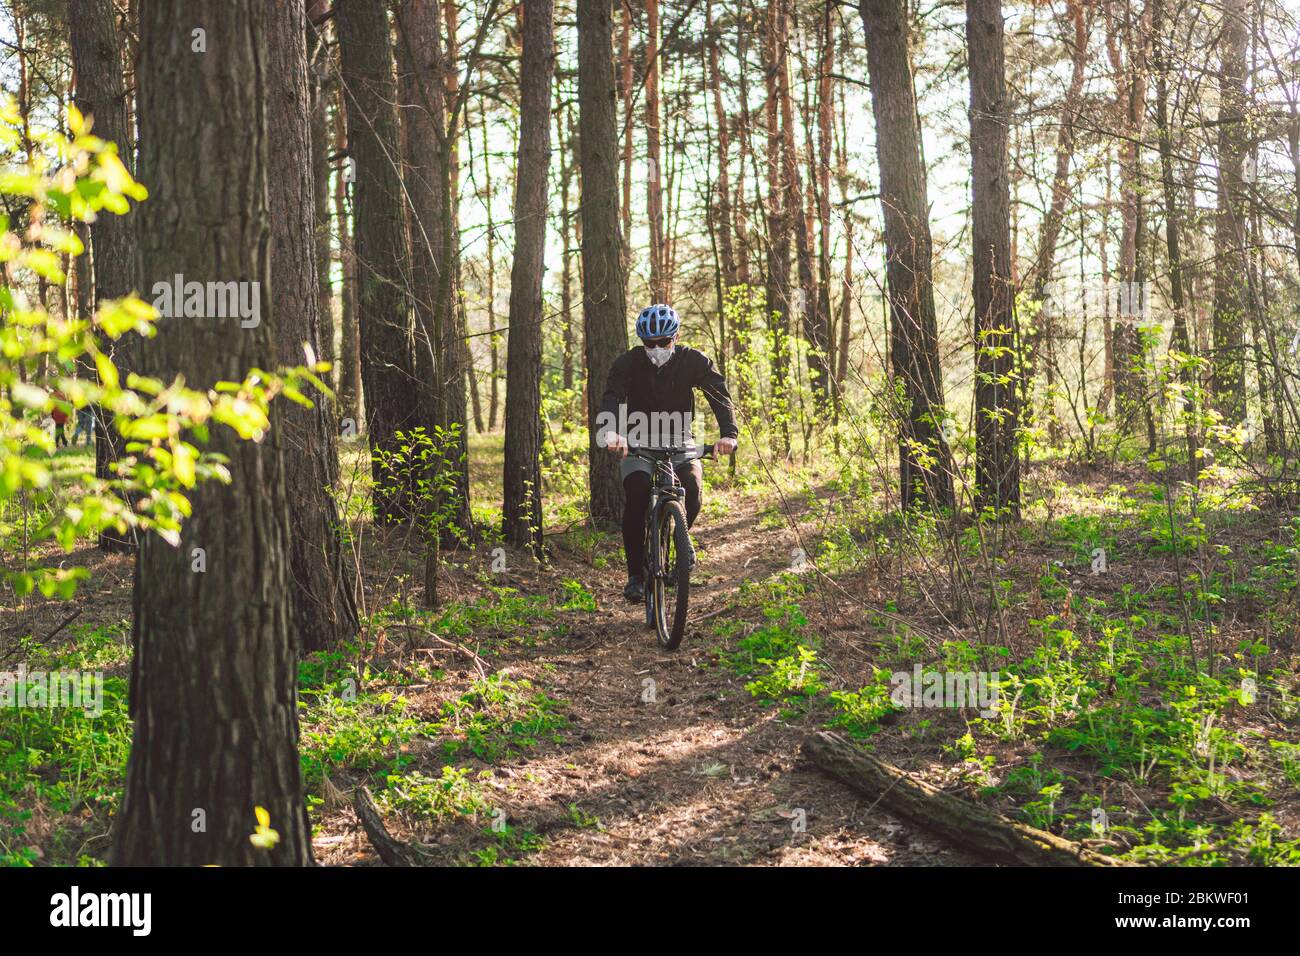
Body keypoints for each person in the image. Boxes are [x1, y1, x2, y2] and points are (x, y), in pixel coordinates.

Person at [599, 303, 738, 602]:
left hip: (680, 440)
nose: (657, 349)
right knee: (636, 493)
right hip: (639, 441)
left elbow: (719, 395)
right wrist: (611, 432)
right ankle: (636, 574)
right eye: (650, 344)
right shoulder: (628, 363)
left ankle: (681, 540)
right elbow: (612, 395)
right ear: (642, 342)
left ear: (676, 337)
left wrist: (728, 435)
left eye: (664, 342)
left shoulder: (693, 361)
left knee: (692, 489)